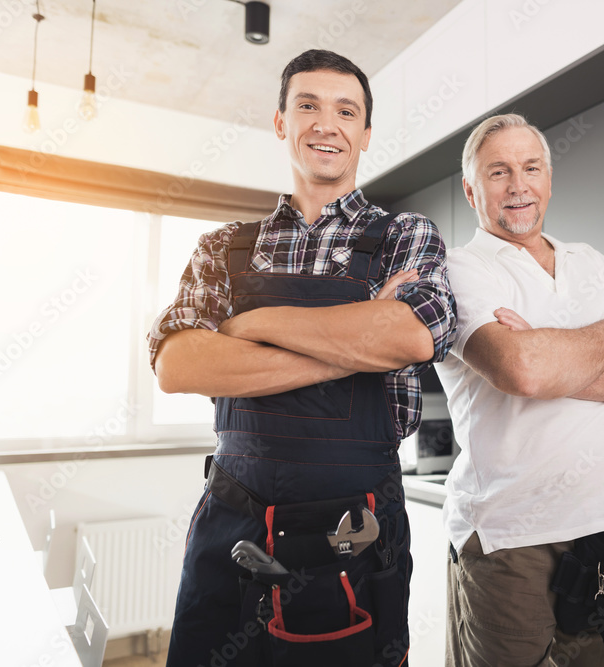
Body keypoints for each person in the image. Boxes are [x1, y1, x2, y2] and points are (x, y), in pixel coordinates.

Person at [148, 49, 456, 667]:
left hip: (356, 529)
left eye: (346, 111)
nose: (326, 123)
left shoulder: (406, 236)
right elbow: (178, 365)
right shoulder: (223, 247)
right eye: (307, 105)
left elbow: (415, 337)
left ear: (365, 134)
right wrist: (356, 346)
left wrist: (252, 326)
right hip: (233, 522)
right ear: (280, 122)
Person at [435, 114, 604, 667]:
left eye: (531, 168)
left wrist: (558, 363)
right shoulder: (457, 269)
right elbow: (522, 371)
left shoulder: (591, 263)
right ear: (471, 188)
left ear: (549, 178)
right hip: (511, 542)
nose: (518, 185)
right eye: (498, 171)